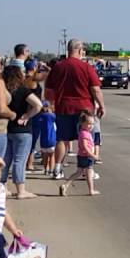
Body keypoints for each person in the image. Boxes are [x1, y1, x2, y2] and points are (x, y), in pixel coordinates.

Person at [44, 39, 105, 179]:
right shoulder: (86, 67)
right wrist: (101, 105)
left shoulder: (58, 67)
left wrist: (51, 104)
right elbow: (95, 89)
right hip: (84, 108)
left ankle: (57, 168)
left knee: (62, 138)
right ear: (79, 50)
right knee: (86, 139)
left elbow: (49, 91)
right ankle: (86, 170)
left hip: (63, 107)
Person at [3, 64, 42, 199]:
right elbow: (38, 105)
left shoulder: (2, 91)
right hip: (23, 129)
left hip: (7, 127)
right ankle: (21, 190)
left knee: (6, 159)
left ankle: (3, 187)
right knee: (20, 160)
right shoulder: (23, 90)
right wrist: (27, 115)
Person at [59, 111, 99, 196]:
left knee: (79, 172)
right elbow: (85, 146)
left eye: (92, 124)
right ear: (82, 123)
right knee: (89, 173)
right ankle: (91, 190)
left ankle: (65, 185)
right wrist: (92, 155)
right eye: (88, 124)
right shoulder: (84, 134)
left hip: (82, 156)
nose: (91, 126)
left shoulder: (84, 132)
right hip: (86, 156)